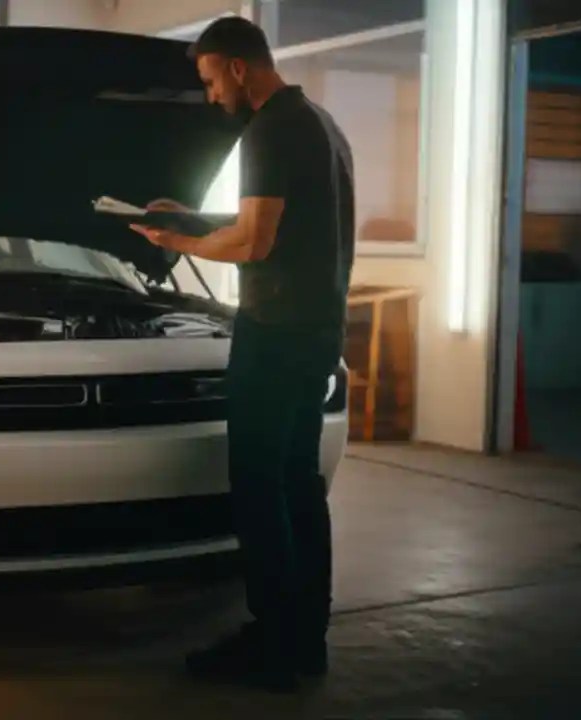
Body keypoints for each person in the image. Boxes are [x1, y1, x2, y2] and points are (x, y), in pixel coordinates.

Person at [130, 16, 354, 693]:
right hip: (316, 331)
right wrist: (192, 220)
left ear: (236, 67)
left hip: (276, 331)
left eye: (208, 81)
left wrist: (179, 245)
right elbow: (286, 229)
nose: (209, 98)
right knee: (298, 484)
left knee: (259, 486)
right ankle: (303, 638)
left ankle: (269, 640)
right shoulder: (320, 126)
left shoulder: (270, 129)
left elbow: (255, 243)